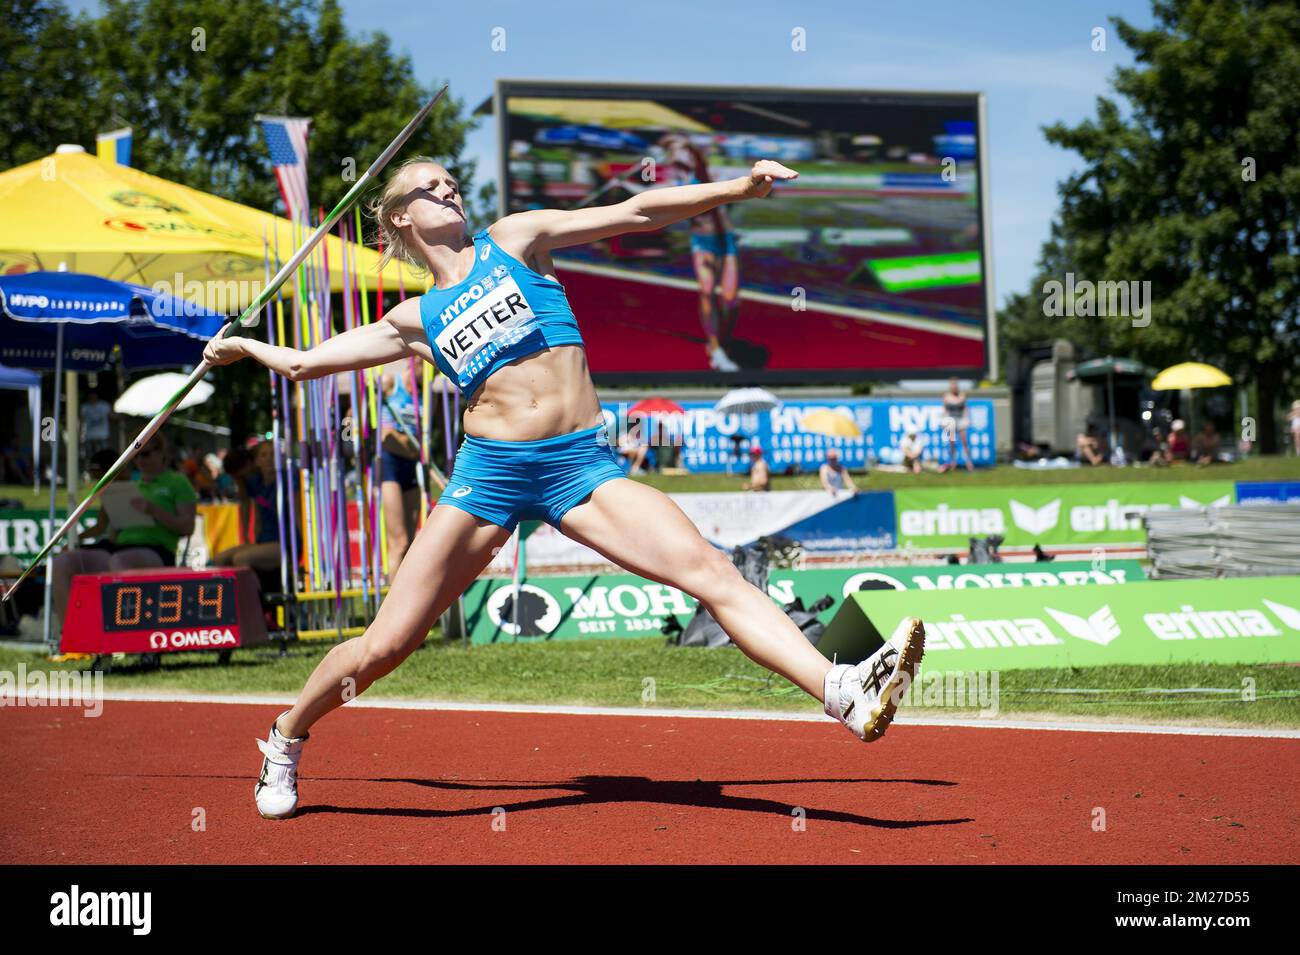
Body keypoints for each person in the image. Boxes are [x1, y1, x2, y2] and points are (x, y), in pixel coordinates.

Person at [202, 155, 925, 819]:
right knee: (386, 646)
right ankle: (285, 735)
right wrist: (243, 346)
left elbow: (637, 213)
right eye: (431, 186)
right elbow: (302, 365)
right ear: (399, 218)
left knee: (711, 570)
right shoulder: (411, 319)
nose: (449, 188)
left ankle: (844, 690)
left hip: (580, 465)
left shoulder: (514, 238)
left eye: (452, 179)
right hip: (487, 477)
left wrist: (736, 187)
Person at [51, 436, 197, 639]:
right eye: (137, 455)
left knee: (119, 561)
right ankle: (72, 637)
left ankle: (121, 637)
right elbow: (111, 532)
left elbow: (187, 527)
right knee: (63, 561)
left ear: (162, 453)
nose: (141, 460)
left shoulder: (178, 482)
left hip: (157, 550)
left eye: (146, 453)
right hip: (121, 546)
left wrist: (154, 511)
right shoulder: (129, 486)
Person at [660, 133, 742, 373]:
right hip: (701, 242)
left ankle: (721, 343)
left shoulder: (701, 177)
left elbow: (701, 163)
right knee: (706, 293)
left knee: (731, 300)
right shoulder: (674, 184)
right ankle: (716, 348)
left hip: (724, 241)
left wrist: (687, 146)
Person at [378, 358, 436, 577]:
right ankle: (392, 606)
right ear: (416, 364)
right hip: (389, 463)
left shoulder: (428, 395)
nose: (433, 377)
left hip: (412, 465)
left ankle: (405, 599)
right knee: (399, 541)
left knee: (411, 544)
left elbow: (426, 435)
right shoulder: (391, 383)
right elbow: (360, 413)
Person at [212, 440, 290, 572]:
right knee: (219, 559)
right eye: (264, 455)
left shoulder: (283, 482)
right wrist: (248, 539)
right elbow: (251, 510)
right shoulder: (255, 484)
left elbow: (249, 507)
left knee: (240, 559)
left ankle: (252, 592)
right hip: (265, 540)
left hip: (281, 542)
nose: (242, 479)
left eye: (271, 455)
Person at [939, 377, 974, 472]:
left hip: (961, 420)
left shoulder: (962, 395)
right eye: (952, 385)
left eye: (955, 385)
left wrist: (968, 420)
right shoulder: (946, 396)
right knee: (952, 443)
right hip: (951, 420)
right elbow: (945, 410)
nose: (954, 387)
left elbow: (965, 409)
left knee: (964, 442)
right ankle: (953, 463)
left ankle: (969, 462)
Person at [80, 390, 112, 457]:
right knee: (90, 455)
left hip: (103, 434)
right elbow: (82, 421)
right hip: (90, 435)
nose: (93, 397)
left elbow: (111, 416)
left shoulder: (104, 405)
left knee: (105, 454)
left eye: (94, 395)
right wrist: (81, 435)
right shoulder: (85, 407)